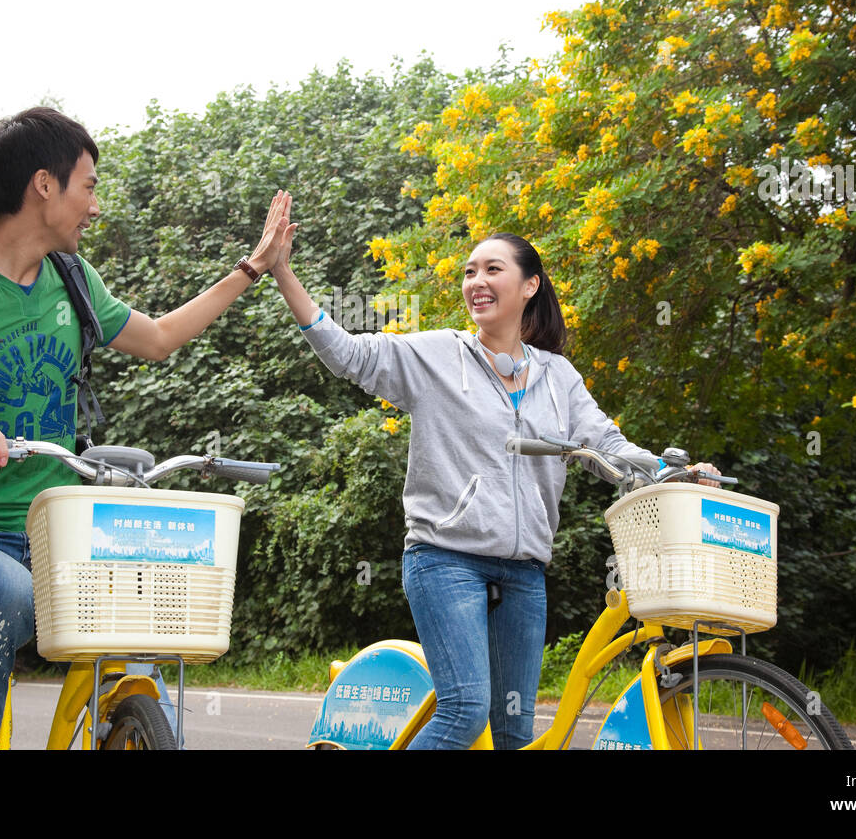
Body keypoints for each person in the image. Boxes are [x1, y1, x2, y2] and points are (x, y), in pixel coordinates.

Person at [0, 107, 293, 749]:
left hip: (56, 536)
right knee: (3, 592)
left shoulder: (74, 282)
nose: (93, 204)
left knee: (150, 595)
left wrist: (252, 268)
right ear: (44, 185)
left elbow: (161, 338)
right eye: (88, 185)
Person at [267, 196, 719, 749]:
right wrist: (284, 273)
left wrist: (670, 473)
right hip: (445, 559)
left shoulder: (558, 376)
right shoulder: (438, 356)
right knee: (465, 711)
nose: (476, 281)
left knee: (511, 733)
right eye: (469, 271)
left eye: (492, 269)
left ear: (529, 286)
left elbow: (605, 443)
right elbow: (350, 356)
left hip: (524, 572)